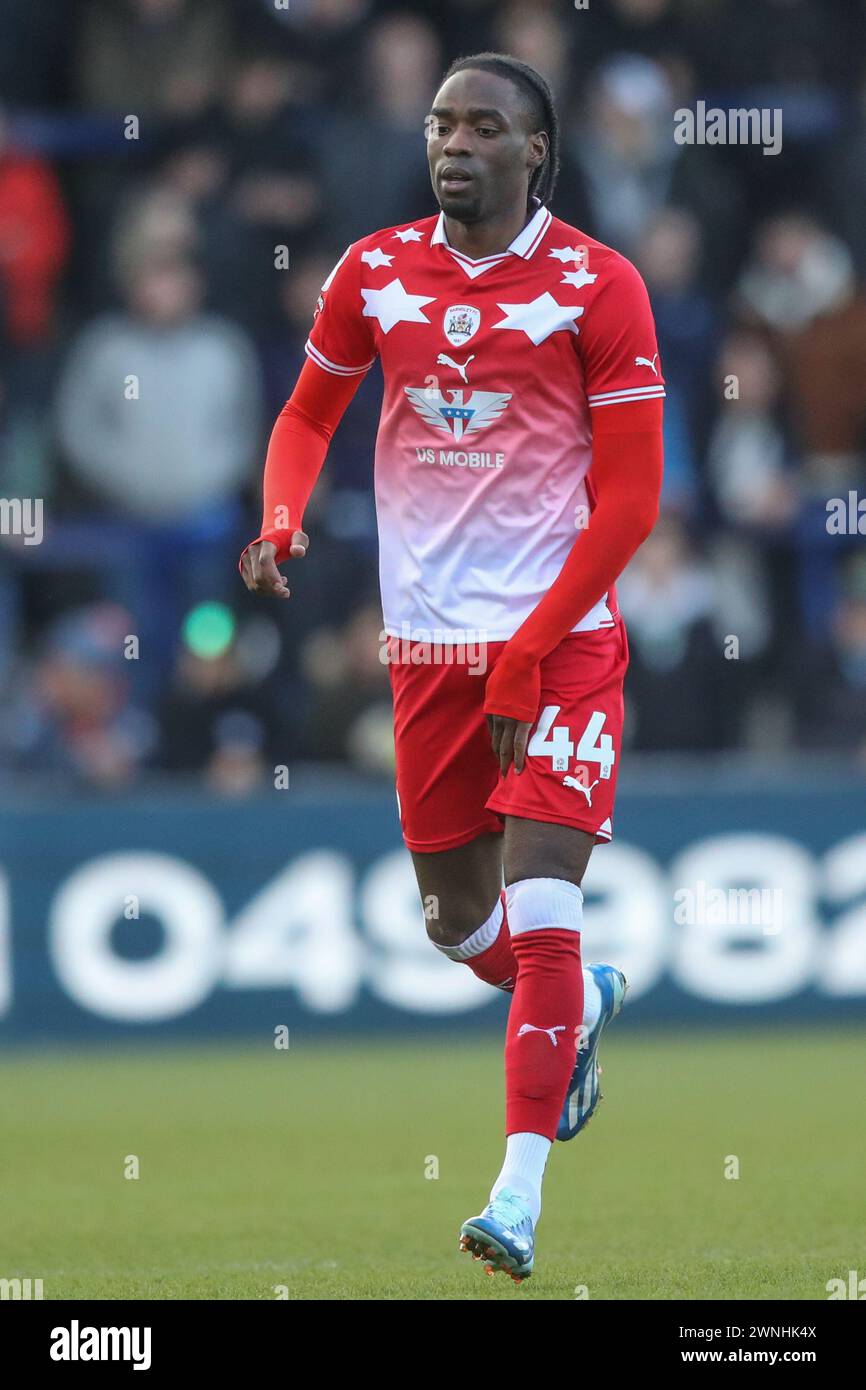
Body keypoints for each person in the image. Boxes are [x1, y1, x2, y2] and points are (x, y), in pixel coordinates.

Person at [239, 53, 664, 1282]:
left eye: (485, 126)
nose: (455, 143)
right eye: (441, 123)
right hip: (427, 649)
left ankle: (516, 1195)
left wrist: (536, 647)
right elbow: (310, 410)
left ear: (537, 151)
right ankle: (577, 1008)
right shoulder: (374, 269)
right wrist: (280, 515)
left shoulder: (599, 283)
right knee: (456, 924)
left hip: (562, 642)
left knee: (541, 915)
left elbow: (630, 502)